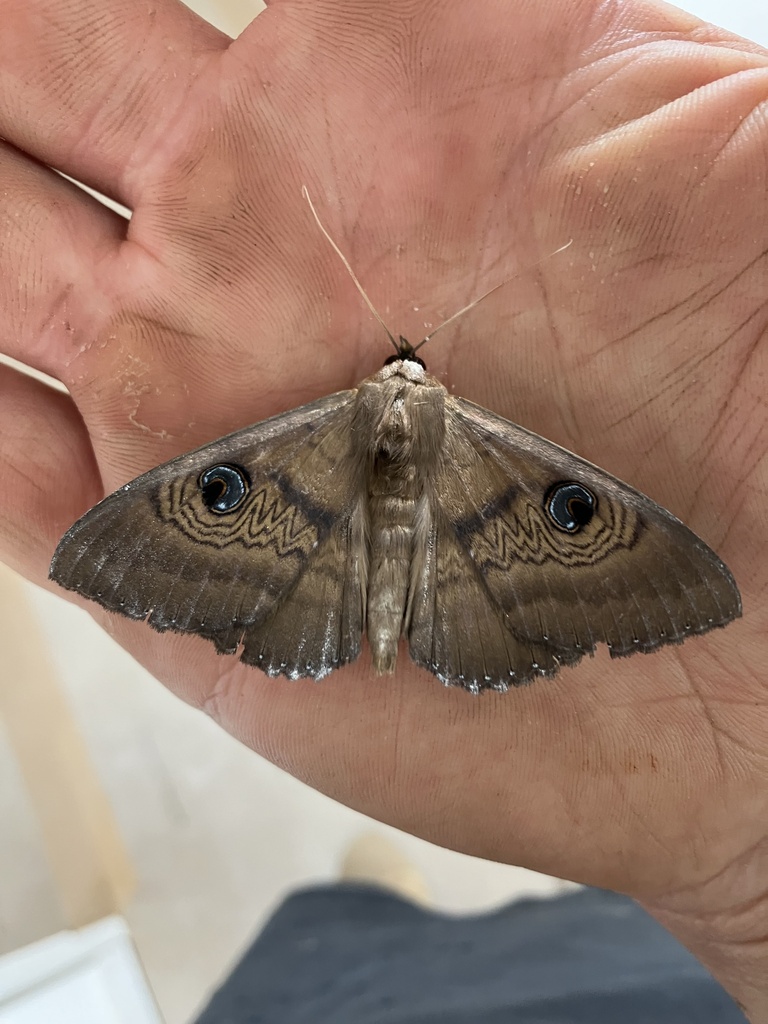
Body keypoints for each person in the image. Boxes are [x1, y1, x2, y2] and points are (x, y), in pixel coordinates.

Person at [0, 0, 765, 1018]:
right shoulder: (471, 433)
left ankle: (356, 910)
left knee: (330, 974)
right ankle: (362, 912)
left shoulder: (318, 429)